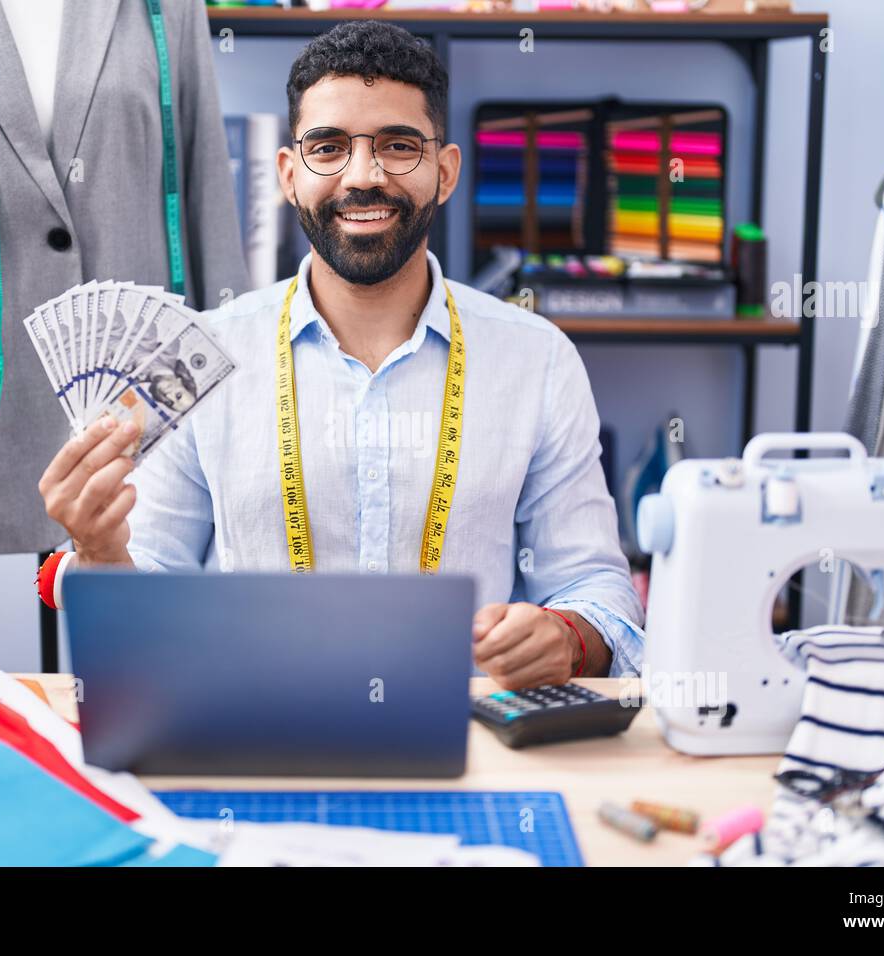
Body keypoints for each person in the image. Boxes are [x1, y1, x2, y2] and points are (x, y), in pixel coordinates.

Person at [38, 21, 645, 684]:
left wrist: (568, 637)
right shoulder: (198, 360)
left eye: (398, 145)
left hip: (468, 738)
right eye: (328, 147)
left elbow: (597, 589)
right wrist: (99, 552)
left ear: (444, 173)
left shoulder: (539, 361)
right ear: (289, 175)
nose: (364, 176)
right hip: (250, 730)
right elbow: (142, 627)